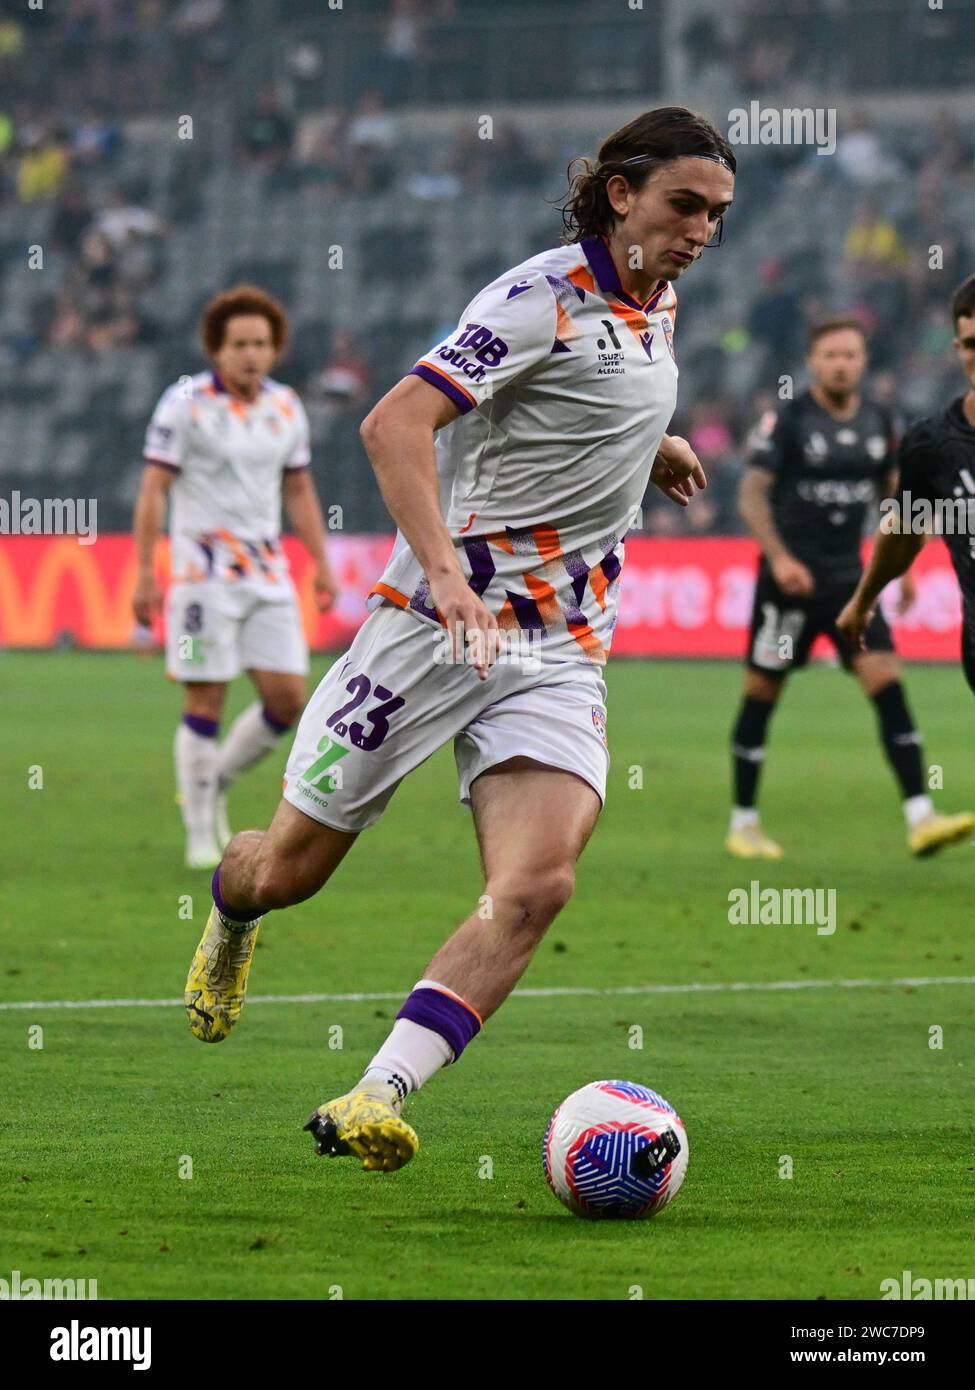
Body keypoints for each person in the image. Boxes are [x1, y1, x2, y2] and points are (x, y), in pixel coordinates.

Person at [182, 107, 733, 1174]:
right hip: (431, 632)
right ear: (621, 195)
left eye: (715, 213)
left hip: (559, 647)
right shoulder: (538, 297)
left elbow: (572, 405)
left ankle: (376, 1091)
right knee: (287, 870)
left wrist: (646, 444)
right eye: (683, 206)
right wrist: (443, 575)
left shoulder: (656, 300)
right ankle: (231, 913)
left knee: (537, 886)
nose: (701, 229)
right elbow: (394, 423)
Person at [728, 319, 972, 860]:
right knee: (762, 694)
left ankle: (921, 817)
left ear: (863, 362)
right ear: (813, 362)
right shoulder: (788, 419)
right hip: (789, 586)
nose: (841, 364)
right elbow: (751, 494)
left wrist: (903, 569)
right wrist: (780, 558)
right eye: (831, 354)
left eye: (851, 355)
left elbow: (895, 491)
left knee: (887, 682)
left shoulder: (880, 421)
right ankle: (743, 822)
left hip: (848, 583)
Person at [132, 285, 338, 868]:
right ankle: (200, 834)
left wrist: (320, 564)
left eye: (262, 343)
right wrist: (146, 572)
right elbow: (154, 490)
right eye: (239, 344)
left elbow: (298, 488)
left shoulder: (285, 407)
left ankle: (212, 780)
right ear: (216, 350)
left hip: (268, 573)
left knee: (287, 697)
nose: (251, 353)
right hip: (202, 577)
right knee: (207, 696)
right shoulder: (185, 404)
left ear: (275, 350)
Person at [839, 274, 975, 708]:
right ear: (957, 349)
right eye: (972, 345)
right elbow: (904, 532)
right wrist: (864, 600)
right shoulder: (931, 444)